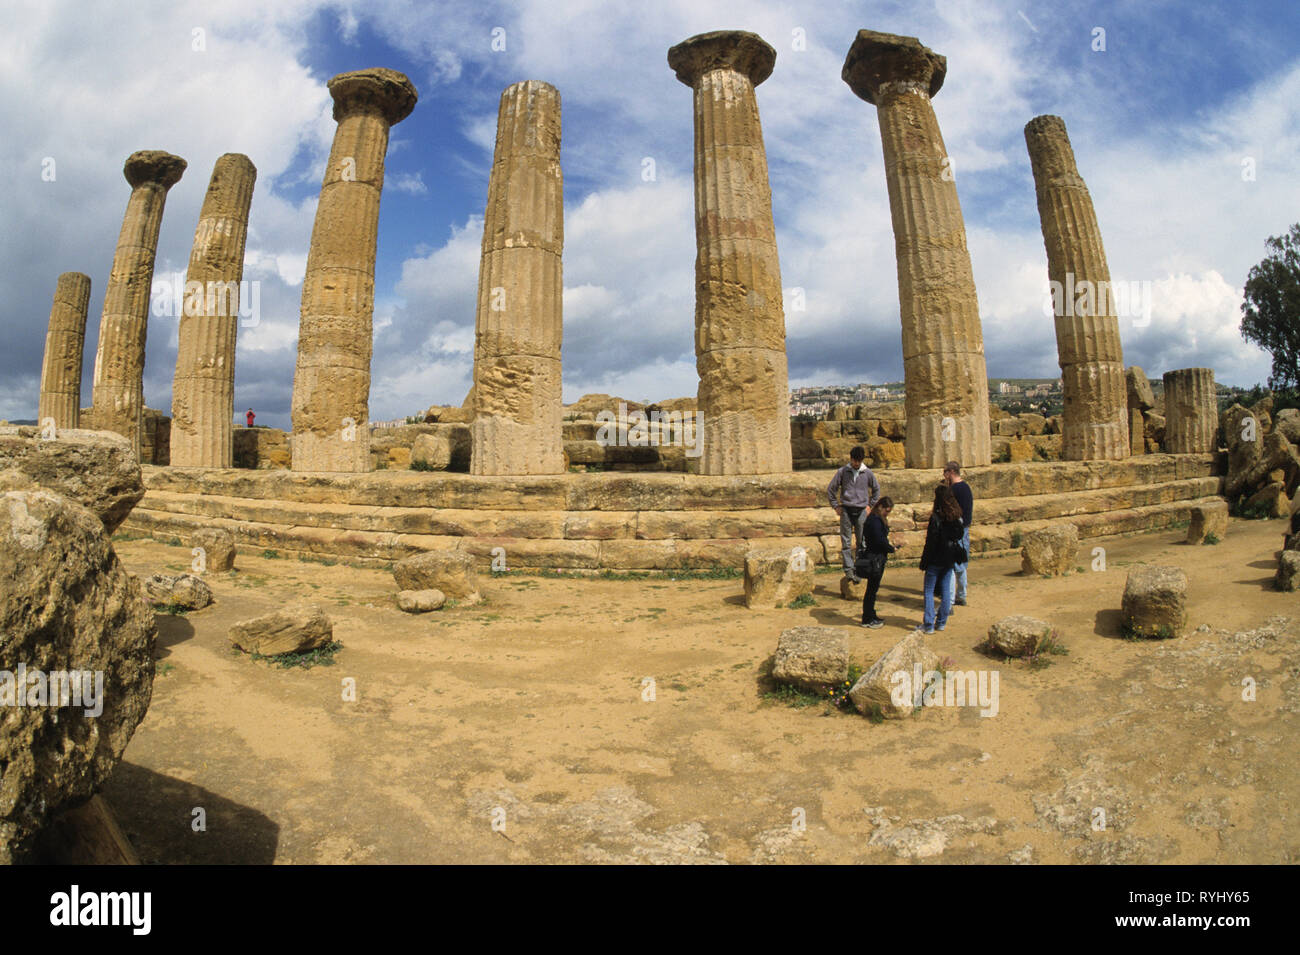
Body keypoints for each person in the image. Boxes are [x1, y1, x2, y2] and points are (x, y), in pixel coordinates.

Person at [827, 445, 880, 582]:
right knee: (846, 542)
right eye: (854, 461)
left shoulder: (868, 473)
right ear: (850, 459)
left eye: (858, 461)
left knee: (861, 542)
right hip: (846, 509)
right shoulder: (843, 472)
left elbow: (876, 490)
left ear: (862, 460)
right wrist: (835, 506)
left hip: (862, 510)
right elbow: (831, 489)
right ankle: (849, 570)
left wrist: (870, 506)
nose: (855, 464)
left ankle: (859, 568)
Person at [919, 483, 966, 633]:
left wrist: (924, 561)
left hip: (936, 559)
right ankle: (941, 623)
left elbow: (931, 542)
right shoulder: (956, 516)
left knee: (929, 590)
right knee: (946, 591)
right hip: (949, 558)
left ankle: (928, 624)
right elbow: (959, 535)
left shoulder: (936, 518)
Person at [857, 496, 902, 629]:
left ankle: (871, 614)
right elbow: (879, 540)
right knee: (871, 589)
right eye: (886, 511)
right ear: (880, 507)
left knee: (873, 589)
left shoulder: (875, 519)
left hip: (877, 556)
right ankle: (867, 618)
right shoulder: (874, 521)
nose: (887, 514)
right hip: (874, 558)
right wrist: (891, 549)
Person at [943, 460, 973, 606]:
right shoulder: (966, 487)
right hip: (965, 529)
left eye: (945, 472)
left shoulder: (954, 490)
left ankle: (951, 600)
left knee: (953, 566)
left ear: (951, 472)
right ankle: (961, 595)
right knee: (961, 564)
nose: (944, 475)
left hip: (956, 530)